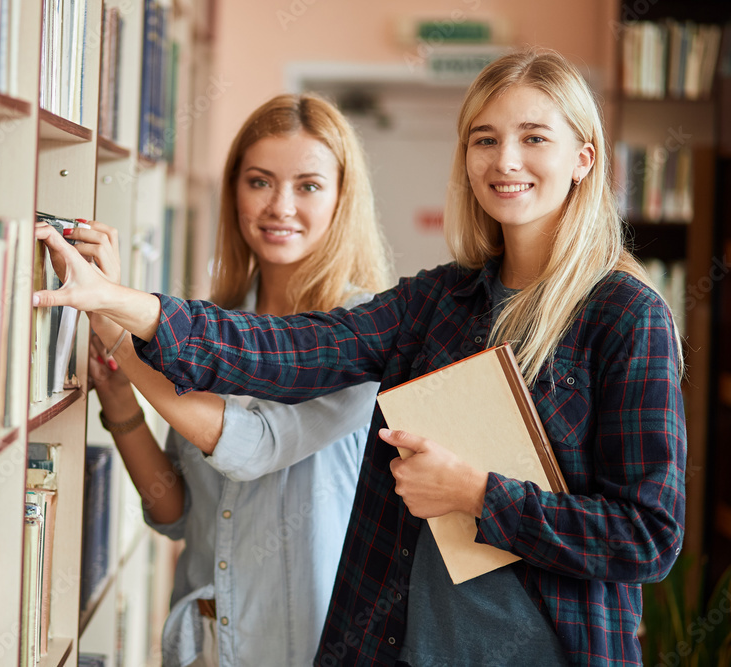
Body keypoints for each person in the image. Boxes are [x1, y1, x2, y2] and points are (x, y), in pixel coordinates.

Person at [34, 50, 688, 666]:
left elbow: (649, 536)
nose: (504, 159)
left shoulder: (626, 316)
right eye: (484, 139)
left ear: (584, 156)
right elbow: (285, 348)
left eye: (533, 137)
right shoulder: (436, 302)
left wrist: (478, 493)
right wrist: (124, 304)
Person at [38, 93, 392, 666]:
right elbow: (177, 514)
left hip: (302, 650)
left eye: (308, 185)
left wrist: (117, 325)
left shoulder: (367, 338)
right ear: (233, 192)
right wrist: (121, 394)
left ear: (342, 199)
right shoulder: (208, 329)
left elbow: (249, 448)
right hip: (201, 646)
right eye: (259, 181)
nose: (280, 206)